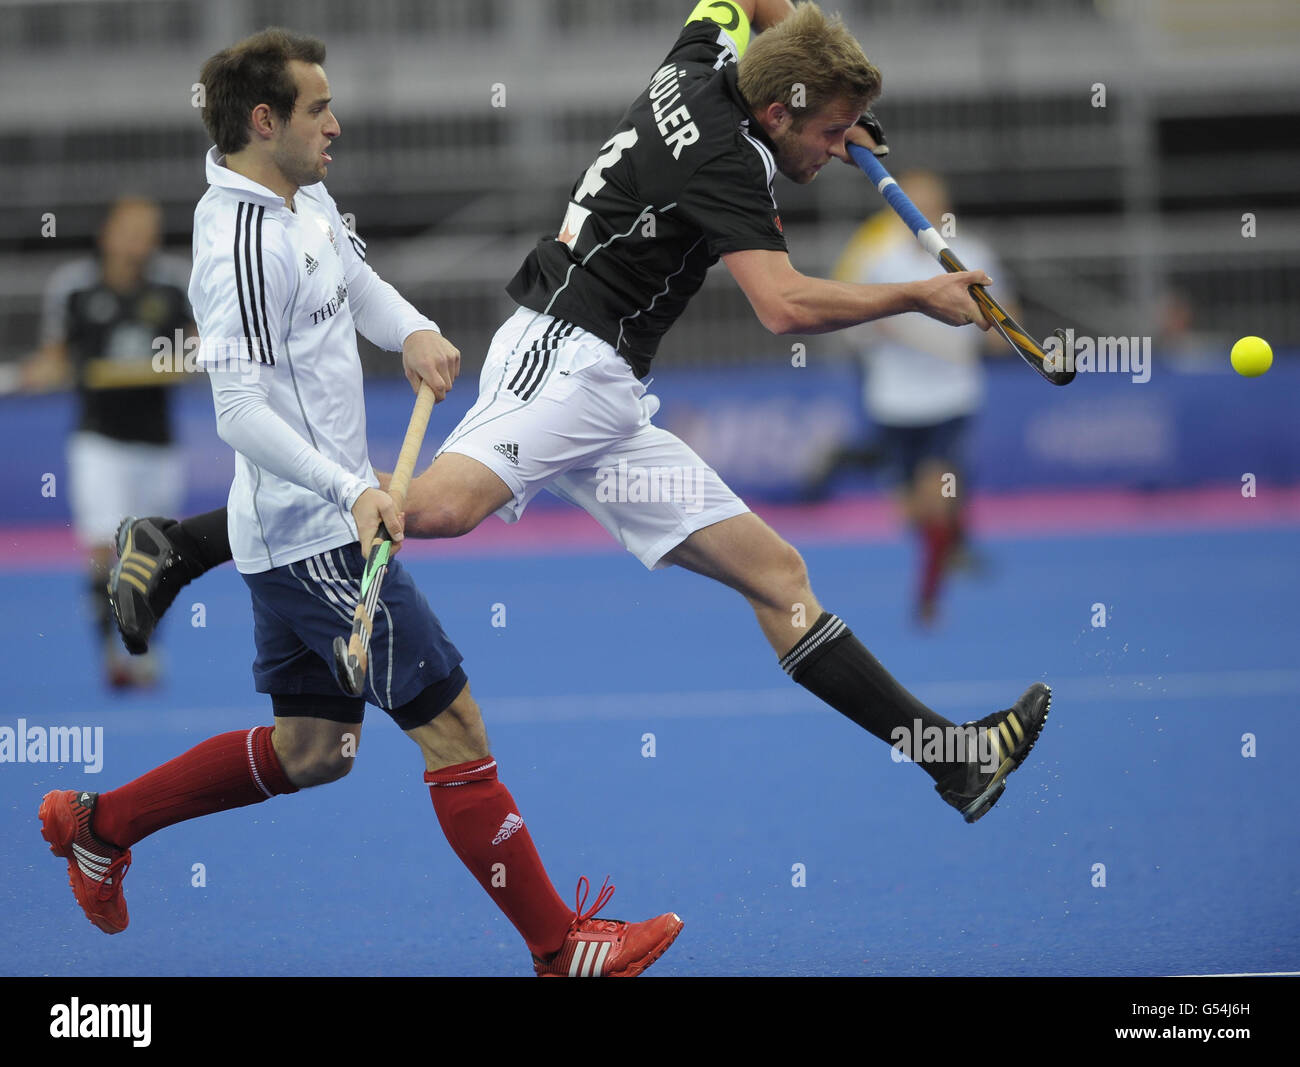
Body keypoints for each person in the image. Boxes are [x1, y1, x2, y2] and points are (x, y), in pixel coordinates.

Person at [109, 2, 1051, 824]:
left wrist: (827, 78)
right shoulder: (730, 160)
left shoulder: (698, 60)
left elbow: (749, 1)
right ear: (778, 111)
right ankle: (182, 542)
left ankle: (948, 759)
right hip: (564, 358)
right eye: (834, 130)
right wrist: (916, 298)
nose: (843, 146)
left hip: (607, 390)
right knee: (424, 511)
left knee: (780, 576)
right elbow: (784, 305)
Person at [42, 27, 681, 978]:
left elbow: (356, 280)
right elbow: (238, 410)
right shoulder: (241, 244)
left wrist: (413, 328)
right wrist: (352, 489)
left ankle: (99, 825)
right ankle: (561, 948)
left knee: (315, 750)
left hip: (295, 534)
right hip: (317, 539)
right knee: (454, 725)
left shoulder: (299, 196)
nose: (336, 124)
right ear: (266, 121)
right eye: (318, 109)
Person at [812, 170, 1007, 624]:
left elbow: (1001, 326)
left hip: (950, 401)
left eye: (927, 204)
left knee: (936, 494)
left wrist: (997, 332)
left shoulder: (971, 256)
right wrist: (875, 327)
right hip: (893, 403)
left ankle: (928, 598)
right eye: (908, 205)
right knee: (912, 514)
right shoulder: (876, 261)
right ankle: (952, 539)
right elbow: (850, 329)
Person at [22, 196, 193, 688]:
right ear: (108, 233)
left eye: (150, 230)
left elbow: (199, 344)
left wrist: (186, 360)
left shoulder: (172, 284)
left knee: (152, 554)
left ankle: (142, 649)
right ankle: (110, 656)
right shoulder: (75, 287)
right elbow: (56, 355)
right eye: (132, 229)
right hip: (98, 441)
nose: (142, 240)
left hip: (158, 442)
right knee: (102, 546)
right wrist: (44, 370)